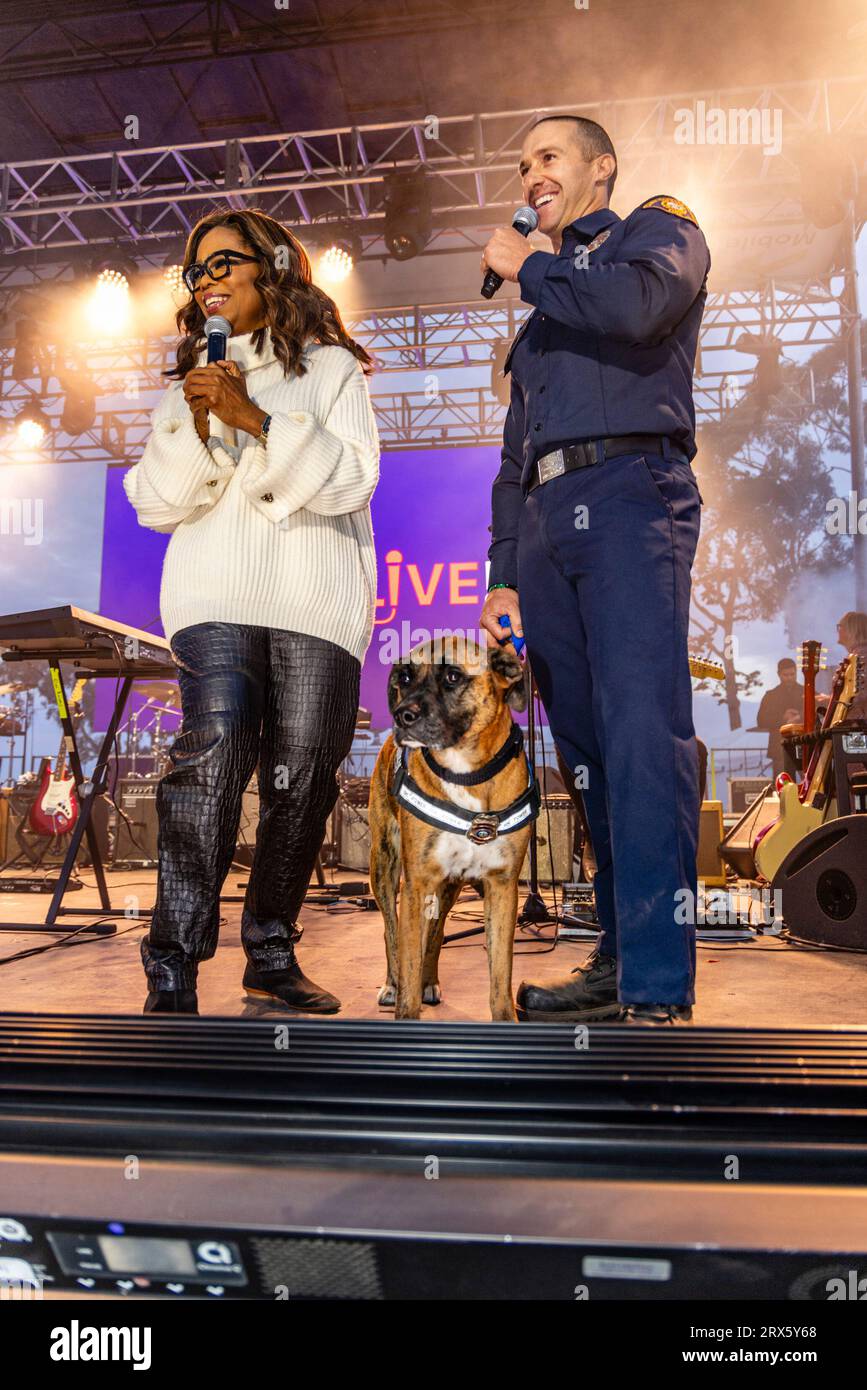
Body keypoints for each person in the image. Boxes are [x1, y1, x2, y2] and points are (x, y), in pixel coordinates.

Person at [478, 115, 710, 1026]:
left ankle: (657, 982)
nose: (530, 174)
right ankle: (617, 958)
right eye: (522, 163)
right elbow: (511, 454)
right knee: (585, 755)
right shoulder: (543, 317)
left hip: (628, 496)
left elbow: (639, 308)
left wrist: (531, 263)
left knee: (641, 739)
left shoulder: (654, 231)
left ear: (599, 167)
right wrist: (502, 569)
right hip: (544, 523)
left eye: (547, 158)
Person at [124, 207, 380, 1015]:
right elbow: (157, 503)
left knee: (302, 777)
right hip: (214, 594)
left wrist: (256, 421)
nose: (207, 281)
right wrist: (197, 427)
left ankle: (269, 950)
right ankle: (172, 958)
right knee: (213, 753)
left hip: (314, 600)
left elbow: (352, 481)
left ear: (272, 266)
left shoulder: (332, 368)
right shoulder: (189, 381)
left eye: (223, 262)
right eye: (195, 271)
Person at [755, 658, 803, 779]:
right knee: (782, 787)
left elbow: (818, 710)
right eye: (785, 675)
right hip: (779, 747)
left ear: (796, 673)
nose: (789, 678)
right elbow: (761, 720)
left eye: (792, 674)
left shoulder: (806, 692)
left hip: (804, 745)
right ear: (778, 674)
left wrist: (800, 716)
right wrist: (783, 718)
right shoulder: (771, 695)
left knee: (810, 785)